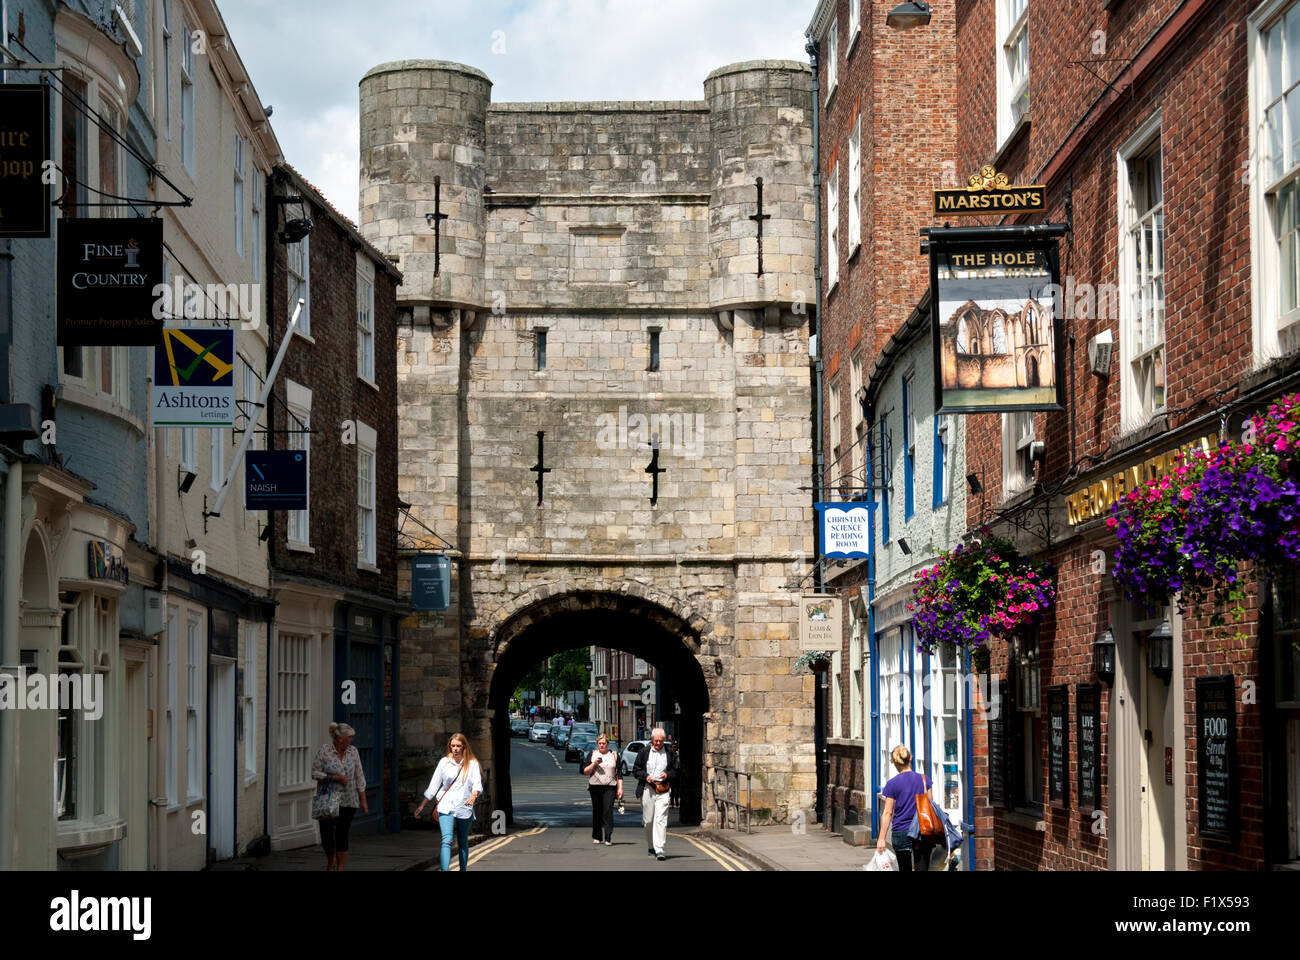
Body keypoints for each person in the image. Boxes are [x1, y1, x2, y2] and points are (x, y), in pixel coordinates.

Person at [414, 733, 483, 872]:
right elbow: (433, 786)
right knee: (447, 841)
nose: (455, 749)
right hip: (446, 806)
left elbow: (477, 784)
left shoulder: (472, 764)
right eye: (453, 746)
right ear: (450, 747)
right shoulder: (444, 762)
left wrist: (474, 795)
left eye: (458, 746)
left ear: (464, 747)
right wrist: (422, 805)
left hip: (464, 807)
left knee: (463, 841)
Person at [311, 721, 367, 871]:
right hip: (328, 799)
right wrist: (335, 778)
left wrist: (363, 800)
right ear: (340, 738)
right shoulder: (325, 750)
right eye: (349, 737)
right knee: (327, 833)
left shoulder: (353, 751)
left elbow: (359, 776)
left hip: (349, 799)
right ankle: (331, 862)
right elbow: (315, 773)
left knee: (342, 833)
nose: (351, 740)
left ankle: (340, 867)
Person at [877, 744, 937, 872]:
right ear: (910, 758)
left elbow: (887, 812)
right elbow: (930, 805)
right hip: (922, 830)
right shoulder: (924, 780)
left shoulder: (892, 784)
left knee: (904, 868)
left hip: (901, 831)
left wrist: (881, 838)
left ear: (895, 763)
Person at [632, 727, 677, 860]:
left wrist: (667, 774)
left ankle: (660, 849)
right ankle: (651, 846)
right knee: (649, 821)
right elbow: (636, 770)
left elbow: (676, 770)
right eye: (656, 740)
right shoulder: (644, 752)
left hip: (663, 789)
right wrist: (646, 776)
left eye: (660, 741)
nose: (658, 743)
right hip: (648, 788)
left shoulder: (670, 753)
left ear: (664, 740)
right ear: (652, 739)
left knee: (660, 819)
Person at [583, 734, 623, 845]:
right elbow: (585, 771)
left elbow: (619, 773)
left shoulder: (614, 755)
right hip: (595, 786)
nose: (602, 745)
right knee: (597, 811)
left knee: (608, 810)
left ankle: (608, 837)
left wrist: (620, 788)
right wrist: (594, 763)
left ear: (607, 744)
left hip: (610, 786)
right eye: (600, 743)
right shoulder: (592, 754)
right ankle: (597, 836)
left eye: (604, 743)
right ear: (597, 744)